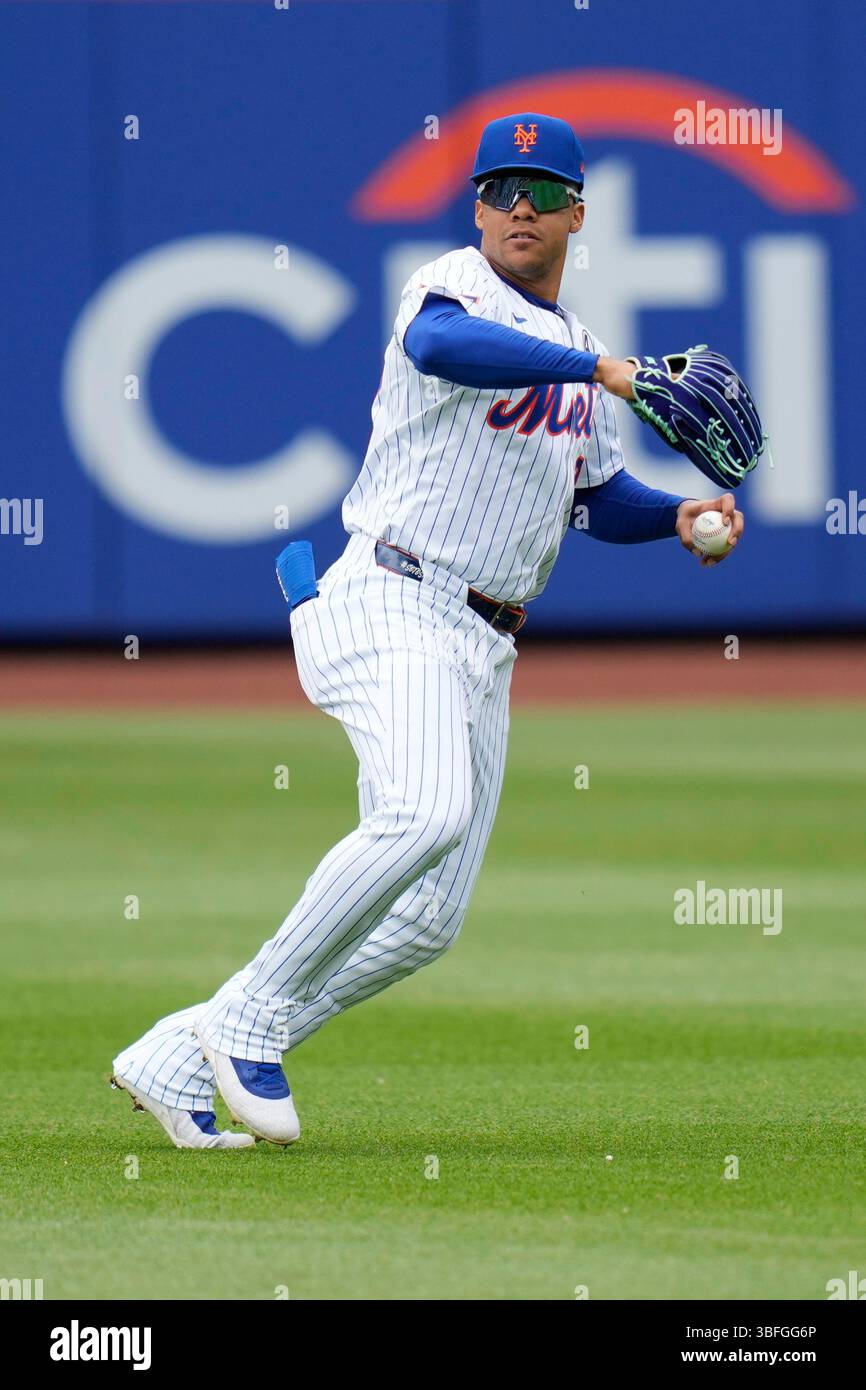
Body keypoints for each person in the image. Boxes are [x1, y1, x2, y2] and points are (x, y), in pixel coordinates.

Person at [111, 112, 743, 1149]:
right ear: (476, 207)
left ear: (578, 211)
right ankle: (249, 1019)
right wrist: (604, 374)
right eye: (499, 187)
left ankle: (178, 1054)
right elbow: (436, 347)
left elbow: (589, 497)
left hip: (484, 639)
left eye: (541, 189)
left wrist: (672, 514)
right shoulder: (451, 287)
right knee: (424, 810)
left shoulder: (576, 344)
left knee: (425, 919)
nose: (518, 207)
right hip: (391, 593)